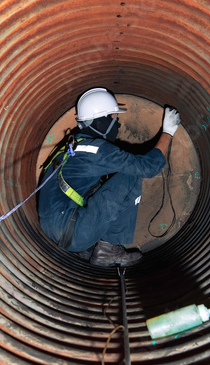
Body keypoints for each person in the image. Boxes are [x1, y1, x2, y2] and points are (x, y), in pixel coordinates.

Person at [38, 88, 181, 267]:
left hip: (54, 230)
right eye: (113, 118)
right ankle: (108, 250)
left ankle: (87, 247)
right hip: (73, 232)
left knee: (100, 184)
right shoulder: (98, 150)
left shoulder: (71, 147)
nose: (117, 124)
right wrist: (168, 132)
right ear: (100, 122)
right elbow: (147, 168)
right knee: (130, 176)